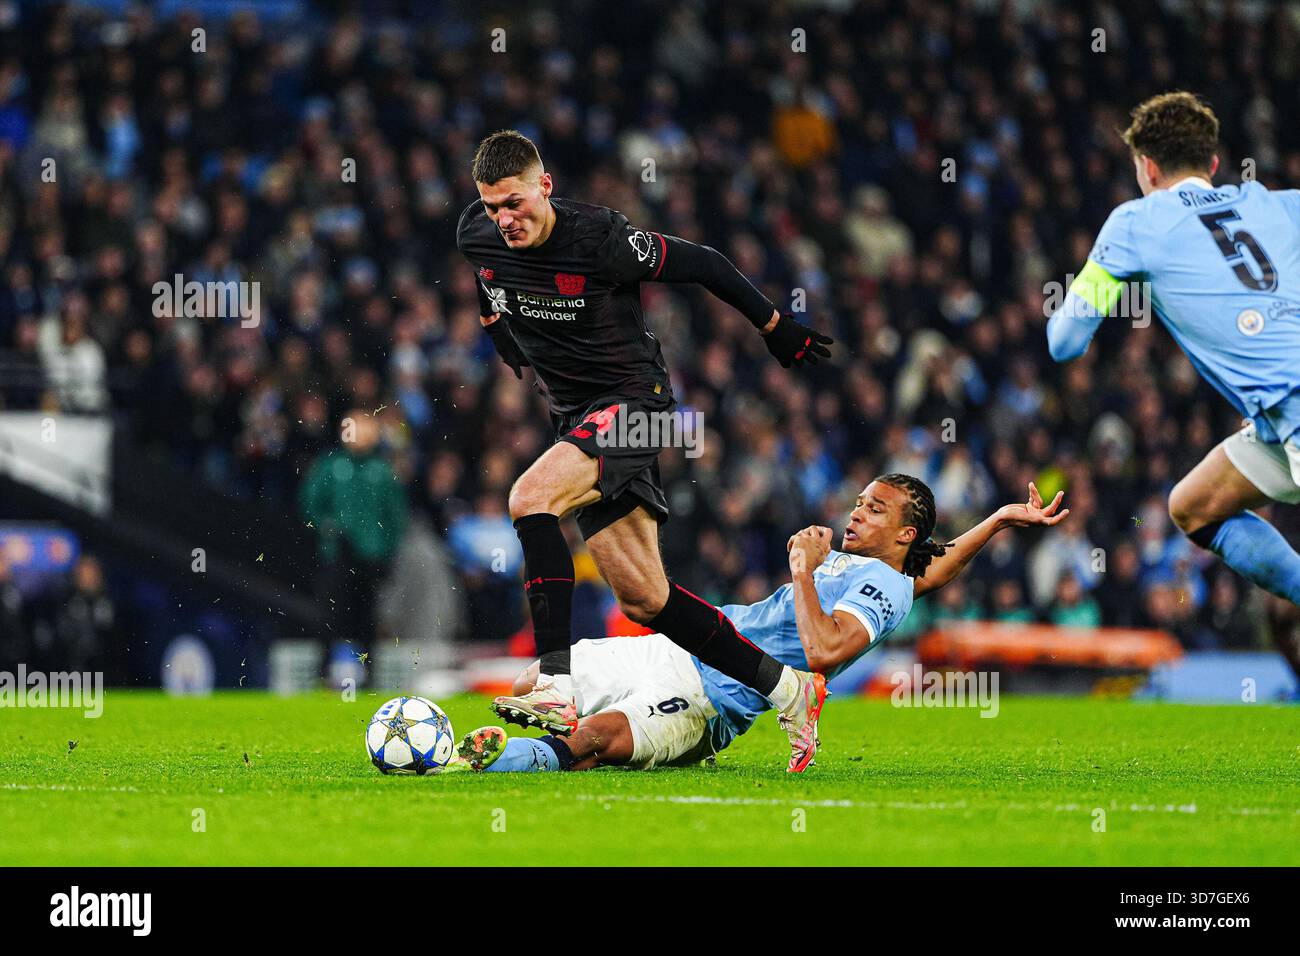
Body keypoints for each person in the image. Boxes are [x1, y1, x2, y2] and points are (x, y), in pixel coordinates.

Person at [456, 130, 835, 771]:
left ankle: (553, 680)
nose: (505, 220)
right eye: (493, 207)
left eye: (515, 203)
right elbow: (488, 279)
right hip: (581, 418)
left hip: (643, 411)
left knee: (529, 498)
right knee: (644, 599)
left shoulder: (601, 240)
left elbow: (708, 264)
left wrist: (774, 326)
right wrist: (500, 332)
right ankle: (788, 689)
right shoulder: (478, 233)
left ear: (545, 187)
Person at [448, 476, 1068, 773]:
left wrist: (803, 570)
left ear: (904, 534)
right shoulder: (882, 564)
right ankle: (523, 746)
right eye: (858, 500)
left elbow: (825, 652)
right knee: (538, 678)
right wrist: (1001, 520)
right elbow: (936, 564)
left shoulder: (883, 586)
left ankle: (477, 763)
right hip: (681, 646)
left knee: (593, 741)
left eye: (874, 510)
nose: (856, 512)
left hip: (712, 701)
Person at [1047, 91, 1300, 608]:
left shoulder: (1133, 224)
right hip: (1280, 418)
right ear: (1212, 163)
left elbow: (1065, 342)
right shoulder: (1275, 203)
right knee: (1193, 506)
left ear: (1147, 168)